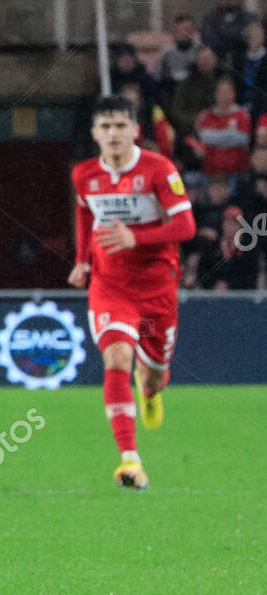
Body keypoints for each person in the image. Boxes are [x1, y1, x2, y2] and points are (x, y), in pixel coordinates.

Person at [68, 95, 197, 491]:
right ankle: (129, 459)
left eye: (121, 126)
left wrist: (133, 237)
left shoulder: (159, 169)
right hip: (110, 285)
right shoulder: (84, 175)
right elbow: (85, 213)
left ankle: (151, 390)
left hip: (157, 286)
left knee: (153, 374)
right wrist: (83, 260)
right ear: (94, 133)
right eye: (105, 127)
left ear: (135, 130)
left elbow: (186, 227)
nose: (113, 134)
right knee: (117, 355)